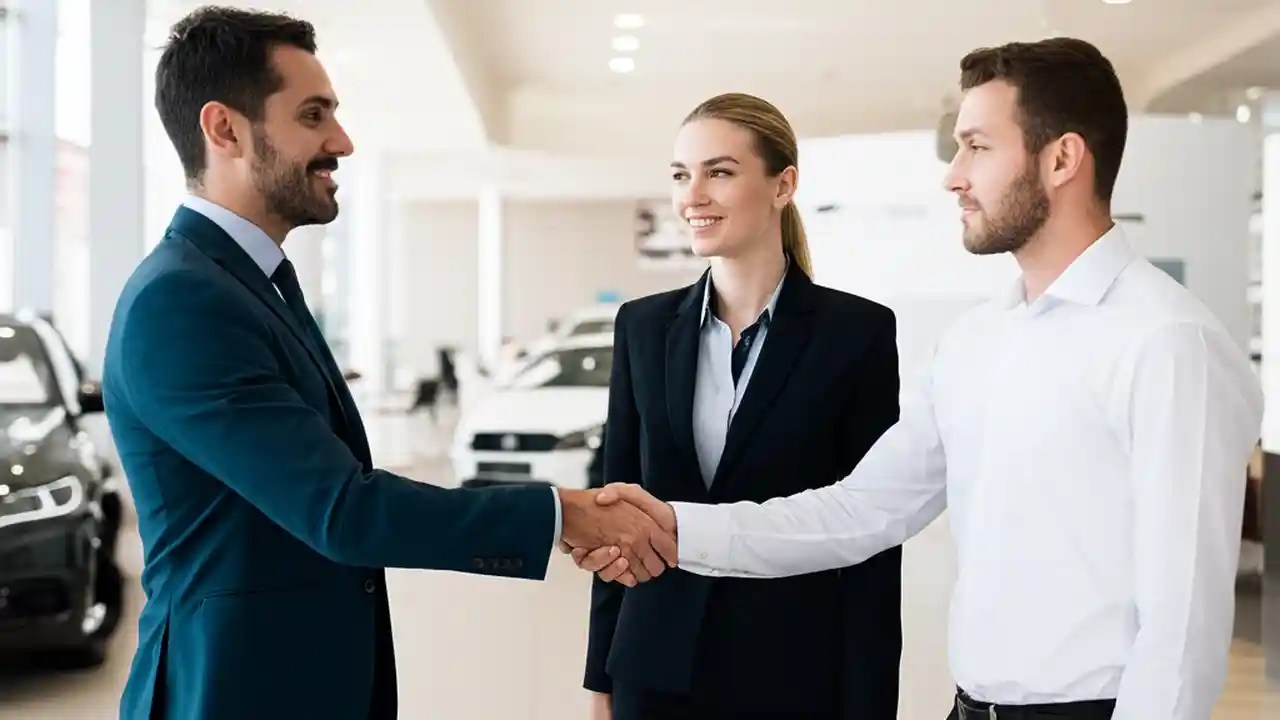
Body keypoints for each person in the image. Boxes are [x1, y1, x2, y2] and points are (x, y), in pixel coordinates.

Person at [575, 38, 1265, 720]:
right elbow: (858, 512)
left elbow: (1184, 628)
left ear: (1062, 159)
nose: (953, 175)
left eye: (978, 146)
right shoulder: (977, 342)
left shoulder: (1169, 343)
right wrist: (670, 527)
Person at [102, 8, 673, 720]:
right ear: (224, 130)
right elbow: (342, 509)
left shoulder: (245, 284)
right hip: (228, 691)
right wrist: (563, 514)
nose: (340, 141)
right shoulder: (182, 302)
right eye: (313, 116)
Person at [582, 92, 904, 720]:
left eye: (719, 172)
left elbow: (872, 542)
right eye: (682, 175)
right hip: (653, 669)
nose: (692, 196)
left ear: (783, 185)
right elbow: (613, 513)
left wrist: (868, 705)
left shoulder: (856, 333)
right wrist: (601, 681)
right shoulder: (643, 328)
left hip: (792, 674)